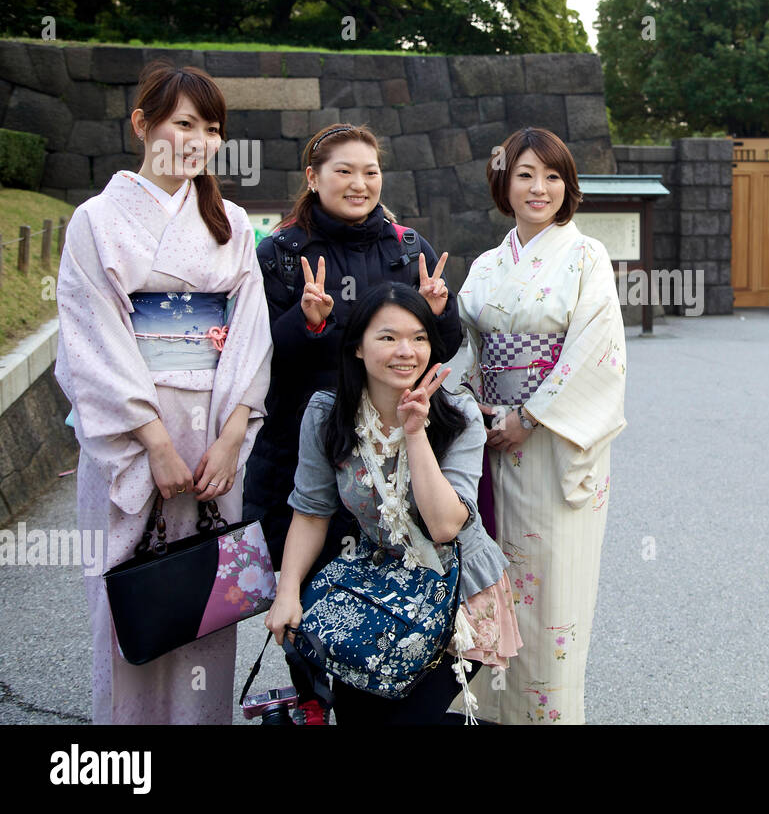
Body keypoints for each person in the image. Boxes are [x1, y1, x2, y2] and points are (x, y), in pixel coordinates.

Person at [55, 61, 271, 724]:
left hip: (211, 433)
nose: (198, 139)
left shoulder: (230, 222)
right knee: (130, 609)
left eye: (211, 128)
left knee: (206, 603)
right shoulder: (96, 222)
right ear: (142, 125)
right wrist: (152, 441)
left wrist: (233, 436)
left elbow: (251, 336)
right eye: (184, 123)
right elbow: (92, 339)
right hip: (133, 438)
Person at [242, 122, 460, 722]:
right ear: (312, 178)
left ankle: (385, 700)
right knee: (308, 593)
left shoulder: (406, 246)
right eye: (343, 170)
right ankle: (314, 701)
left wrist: (439, 315)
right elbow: (255, 357)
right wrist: (308, 323)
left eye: (370, 171)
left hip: (389, 452)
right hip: (302, 444)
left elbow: (436, 349)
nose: (359, 183)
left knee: (385, 589)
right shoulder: (279, 254)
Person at [263, 282, 519, 724]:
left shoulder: (457, 414)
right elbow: (310, 511)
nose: (406, 351)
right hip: (376, 583)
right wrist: (286, 594)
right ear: (358, 348)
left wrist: (415, 431)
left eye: (419, 338)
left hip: (456, 588)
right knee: (360, 717)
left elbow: (444, 526)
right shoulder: (328, 413)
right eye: (388, 337)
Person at [457, 126, 627, 724]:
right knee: (488, 574)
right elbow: (467, 350)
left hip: (552, 444)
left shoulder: (585, 256)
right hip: (489, 442)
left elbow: (595, 351)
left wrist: (529, 416)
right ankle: (490, 712)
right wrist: (473, 408)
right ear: (503, 182)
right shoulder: (485, 264)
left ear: (568, 186)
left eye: (553, 176)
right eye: (525, 174)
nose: (539, 187)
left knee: (552, 586)